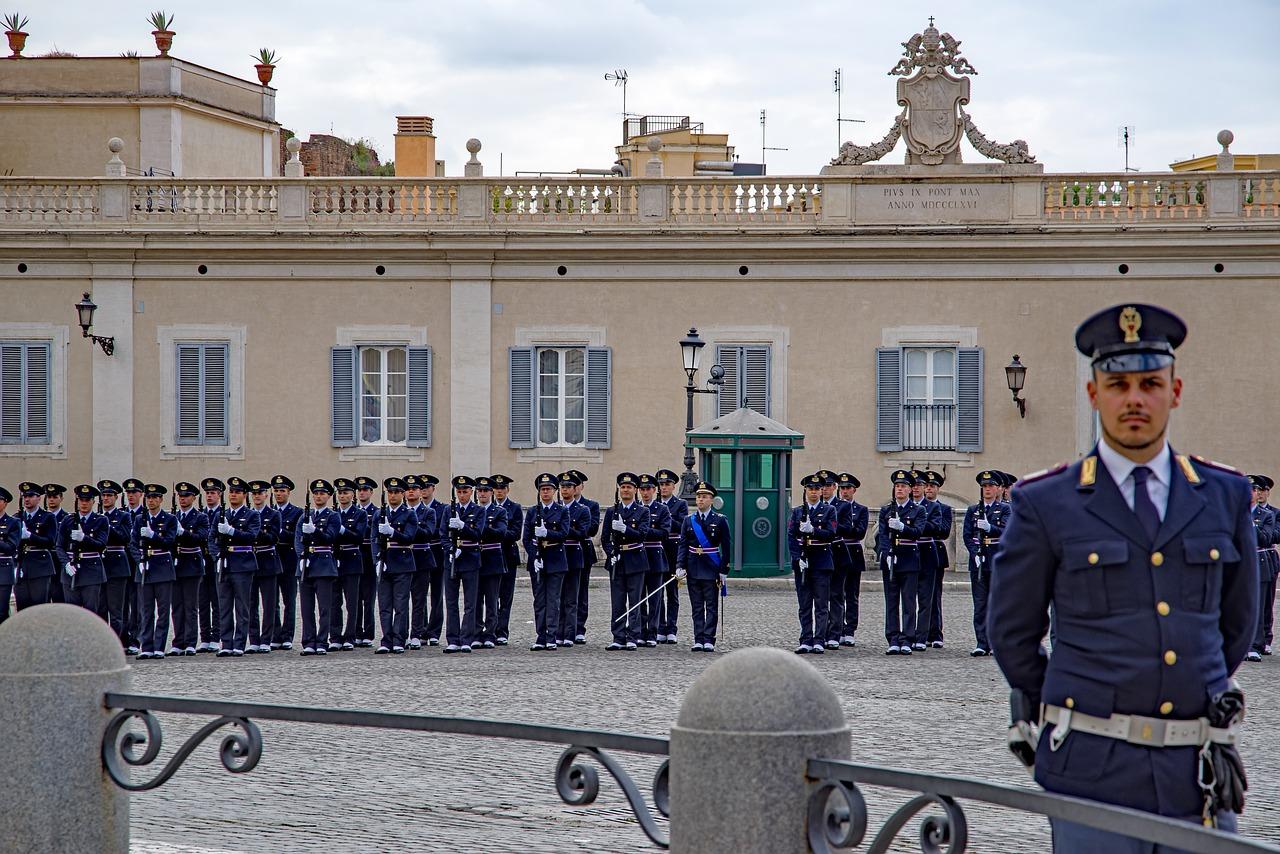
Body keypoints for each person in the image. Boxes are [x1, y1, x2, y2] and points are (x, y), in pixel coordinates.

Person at [989, 303, 1257, 850]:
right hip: (1092, 769)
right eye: (1117, 384)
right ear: (1094, 395)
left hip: (1196, 771)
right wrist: (1075, 699)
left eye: (1150, 383)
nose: (1134, 398)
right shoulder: (1047, 503)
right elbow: (1011, 634)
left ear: (1174, 391)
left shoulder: (1223, 496)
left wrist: (1190, 688)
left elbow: (1238, 624)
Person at [675, 480, 730, 652]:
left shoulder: (720, 520)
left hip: (711, 567)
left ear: (711, 500)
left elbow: (727, 547)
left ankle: (709, 639)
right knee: (697, 606)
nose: (700, 500)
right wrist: (680, 565)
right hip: (693, 567)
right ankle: (698, 638)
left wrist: (723, 570)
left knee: (711, 606)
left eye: (704, 497)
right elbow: (683, 545)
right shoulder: (688, 520)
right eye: (698, 496)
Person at [875, 470, 926, 655]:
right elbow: (882, 534)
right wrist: (886, 552)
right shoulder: (887, 510)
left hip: (909, 557)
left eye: (903, 486)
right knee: (891, 601)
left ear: (910, 489)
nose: (899, 490)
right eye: (897, 486)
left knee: (909, 601)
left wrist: (903, 527)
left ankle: (907, 638)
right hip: (891, 559)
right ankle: (893, 638)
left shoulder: (918, 510)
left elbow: (918, 532)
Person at [789, 472, 839, 654]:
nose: (814, 492)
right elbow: (791, 536)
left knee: (821, 603)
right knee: (804, 603)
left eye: (817, 489)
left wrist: (814, 530)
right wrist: (797, 557)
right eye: (810, 489)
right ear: (805, 490)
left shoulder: (829, 510)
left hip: (821, 559)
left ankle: (819, 639)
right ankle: (805, 638)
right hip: (803, 561)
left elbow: (831, 534)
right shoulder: (797, 511)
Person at [601, 472, 650, 650]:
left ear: (635, 490)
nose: (625, 490)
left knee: (635, 600)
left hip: (635, 559)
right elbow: (605, 538)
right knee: (618, 600)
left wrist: (625, 529)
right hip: (618, 560)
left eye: (629, 487)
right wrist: (610, 553)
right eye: (623, 487)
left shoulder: (643, 511)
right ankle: (618, 636)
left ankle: (633, 636)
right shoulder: (612, 511)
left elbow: (642, 535)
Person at [214, 477, 263, 657]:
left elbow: (252, 536)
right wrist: (216, 556)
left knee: (242, 606)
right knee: (224, 605)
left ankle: (239, 643)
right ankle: (226, 642)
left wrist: (232, 531)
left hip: (243, 563)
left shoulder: (252, 515)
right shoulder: (222, 514)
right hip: (225, 563)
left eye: (237, 492)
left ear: (244, 495)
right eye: (231, 492)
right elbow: (212, 538)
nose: (233, 495)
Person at [963, 471, 1009, 657]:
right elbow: (967, 535)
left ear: (998, 489)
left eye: (991, 486)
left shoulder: (1005, 509)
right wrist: (975, 553)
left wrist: (991, 528)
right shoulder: (974, 510)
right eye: (984, 486)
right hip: (979, 560)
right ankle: (982, 642)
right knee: (980, 603)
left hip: (997, 558)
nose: (987, 489)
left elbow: (1008, 531)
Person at [523, 472, 571, 650]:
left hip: (555, 558)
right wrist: (533, 555)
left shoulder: (562, 511)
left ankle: (552, 636)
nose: (545, 492)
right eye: (542, 489)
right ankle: (540, 636)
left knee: (553, 600)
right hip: (538, 560)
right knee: (539, 600)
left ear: (554, 491)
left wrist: (547, 534)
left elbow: (564, 534)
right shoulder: (533, 511)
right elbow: (526, 538)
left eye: (549, 489)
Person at [296, 479, 341, 656]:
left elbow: (330, 537)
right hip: (307, 564)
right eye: (316, 493)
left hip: (324, 564)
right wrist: (301, 557)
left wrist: (314, 530)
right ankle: (308, 640)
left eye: (322, 493)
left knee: (324, 607)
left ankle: (322, 641)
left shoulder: (333, 516)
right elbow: (298, 539)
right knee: (306, 608)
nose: (318, 496)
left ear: (329, 496)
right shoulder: (305, 516)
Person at [372, 476, 418, 654]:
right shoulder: (379, 513)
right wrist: (376, 560)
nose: (392, 495)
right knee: (384, 605)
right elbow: (374, 539)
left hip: (403, 563)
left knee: (400, 604)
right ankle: (386, 639)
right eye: (390, 492)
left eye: (396, 492)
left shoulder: (409, 513)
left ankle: (399, 639)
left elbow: (409, 538)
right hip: (384, 562)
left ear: (403, 494)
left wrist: (392, 532)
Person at [132, 483, 177, 660]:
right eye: (148, 498)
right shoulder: (139, 519)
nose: (151, 501)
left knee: (163, 610)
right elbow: (133, 543)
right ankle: (146, 646)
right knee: (146, 610)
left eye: (154, 498)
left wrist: (153, 536)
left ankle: (159, 646)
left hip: (162, 566)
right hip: (145, 567)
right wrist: (139, 561)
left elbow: (169, 541)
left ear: (160, 500)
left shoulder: (169, 519)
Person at [443, 476, 486, 653]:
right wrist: (450, 550)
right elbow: (442, 535)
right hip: (453, 559)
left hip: (470, 558)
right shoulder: (448, 510)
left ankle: (467, 638)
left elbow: (478, 533)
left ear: (471, 492)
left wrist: (463, 526)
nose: (462, 495)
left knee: (470, 602)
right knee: (451, 601)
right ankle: (453, 639)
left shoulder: (478, 511)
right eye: (459, 492)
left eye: (465, 492)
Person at [169, 481, 209, 656]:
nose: (183, 499)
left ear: (193, 498)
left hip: (192, 564)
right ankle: (178, 641)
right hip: (176, 564)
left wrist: (183, 533)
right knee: (177, 605)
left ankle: (191, 641)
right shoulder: (173, 517)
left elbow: (202, 537)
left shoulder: (200, 517)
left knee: (191, 605)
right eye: (180, 496)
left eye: (186, 496)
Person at [58, 483, 109, 616]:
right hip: (71, 571)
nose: (84, 503)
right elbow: (59, 546)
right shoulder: (67, 520)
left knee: (91, 614)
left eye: (87, 500)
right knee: (71, 614)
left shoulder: (101, 520)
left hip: (91, 572)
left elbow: (101, 544)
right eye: (81, 500)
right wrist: (66, 563)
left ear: (93, 501)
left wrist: (84, 538)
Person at [331, 478, 367, 651]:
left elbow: (359, 537)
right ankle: (335, 636)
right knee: (334, 601)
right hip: (334, 559)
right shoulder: (332, 513)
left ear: (353, 495)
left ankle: (350, 636)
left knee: (352, 602)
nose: (342, 496)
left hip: (352, 558)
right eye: (340, 493)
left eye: (346, 493)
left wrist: (343, 530)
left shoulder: (359, 514)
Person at [473, 477, 509, 648]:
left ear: (491, 492)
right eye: (480, 491)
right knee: (475, 599)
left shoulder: (499, 511)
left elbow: (500, 532)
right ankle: (476, 632)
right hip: (474, 559)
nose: (482, 494)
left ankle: (490, 633)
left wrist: (479, 527)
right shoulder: (471, 510)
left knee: (492, 600)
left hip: (492, 558)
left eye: (486, 491)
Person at [557, 472, 591, 648]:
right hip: (557, 554)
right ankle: (559, 630)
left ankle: (577, 629)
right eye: (563, 486)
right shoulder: (555, 507)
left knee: (578, 594)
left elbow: (587, 530)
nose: (567, 489)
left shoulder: (587, 507)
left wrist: (562, 529)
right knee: (559, 596)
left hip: (579, 553)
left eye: (570, 486)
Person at [834, 472, 868, 647]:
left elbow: (859, 532)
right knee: (837, 593)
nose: (844, 492)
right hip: (838, 551)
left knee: (852, 594)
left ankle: (850, 629)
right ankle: (837, 628)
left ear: (854, 490)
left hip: (853, 551)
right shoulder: (835, 507)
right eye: (842, 488)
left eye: (847, 488)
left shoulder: (861, 510)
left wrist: (841, 529)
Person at [637, 473, 671, 648]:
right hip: (638, 556)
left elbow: (664, 533)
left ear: (654, 490)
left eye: (648, 489)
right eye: (642, 489)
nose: (645, 492)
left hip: (655, 554)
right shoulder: (635, 508)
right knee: (639, 596)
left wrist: (643, 531)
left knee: (655, 597)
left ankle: (653, 631)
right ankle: (641, 631)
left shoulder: (662, 509)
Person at [1245, 475, 1276, 662]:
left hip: (1259, 561)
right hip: (1240, 562)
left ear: (1257, 493)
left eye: (1252, 490)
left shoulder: (1267, 516)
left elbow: (1265, 538)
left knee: (1258, 605)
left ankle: (1255, 645)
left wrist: (1250, 523)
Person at [271, 475, 303, 651]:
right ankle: (275, 635)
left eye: (282, 490)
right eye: (276, 490)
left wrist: (281, 532)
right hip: (272, 559)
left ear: (289, 492)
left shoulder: (296, 512)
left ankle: (287, 635)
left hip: (289, 559)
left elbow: (297, 537)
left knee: (289, 600)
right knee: (272, 601)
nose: (278, 494)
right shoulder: (268, 511)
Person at [569, 470, 601, 644]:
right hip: (564, 551)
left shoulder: (590, 505)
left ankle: (579, 627)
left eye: (577, 484)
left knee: (581, 591)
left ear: (581, 486)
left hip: (583, 549)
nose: (573, 488)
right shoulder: (561, 505)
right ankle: (565, 626)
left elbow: (592, 528)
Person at [15, 482, 57, 610]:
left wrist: (30, 536)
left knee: (39, 607)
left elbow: (51, 541)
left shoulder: (47, 517)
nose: (26, 499)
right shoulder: (17, 517)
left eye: (31, 496)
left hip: (40, 565)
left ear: (39, 498)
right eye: (25, 496)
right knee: (22, 607)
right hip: (22, 565)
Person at [656, 469, 688, 644]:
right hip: (658, 550)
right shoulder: (654, 504)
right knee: (657, 591)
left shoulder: (679, 504)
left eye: (667, 484)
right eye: (661, 484)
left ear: (673, 486)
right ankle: (660, 627)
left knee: (672, 593)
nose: (664, 487)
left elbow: (681, 525)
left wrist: (666, 517)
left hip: (673, 549)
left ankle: (672, 628)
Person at [492, 474, 522, 645]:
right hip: (491, 555)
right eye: (496, 488)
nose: (499, 491)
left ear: (507, 490)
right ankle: (491, 627)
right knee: (490, 595)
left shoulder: (515, 508)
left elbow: (515, 533)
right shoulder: (487, 507)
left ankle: (502, 630)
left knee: (505, 595)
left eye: (502, 488)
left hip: (508, 554)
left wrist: (495, 533)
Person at [197, 477, 225, 653]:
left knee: (217, 600)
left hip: (217, 560)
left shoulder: (223, 514)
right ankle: (205, 637)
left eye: (213, 493)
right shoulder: (200, 514)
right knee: (202, 601)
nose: (209, 496)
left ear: (220, 495)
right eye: (207, 493)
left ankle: (216, 636)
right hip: (201, 561)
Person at [354, 475, 381, 647]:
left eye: (365, 490)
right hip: (355, 555)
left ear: (371, 492)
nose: (362, 493)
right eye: (359, 490)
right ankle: (356, 631)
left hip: (369, 555)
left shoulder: (376, 512)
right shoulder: (353, 511)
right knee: (355, 597)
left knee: (369, 598)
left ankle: (368, 633)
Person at [0, 486, 19, 624]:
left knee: (1, 610)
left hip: (3, 569)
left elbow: (11, 548)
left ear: (5, 503)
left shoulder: (12, 522)